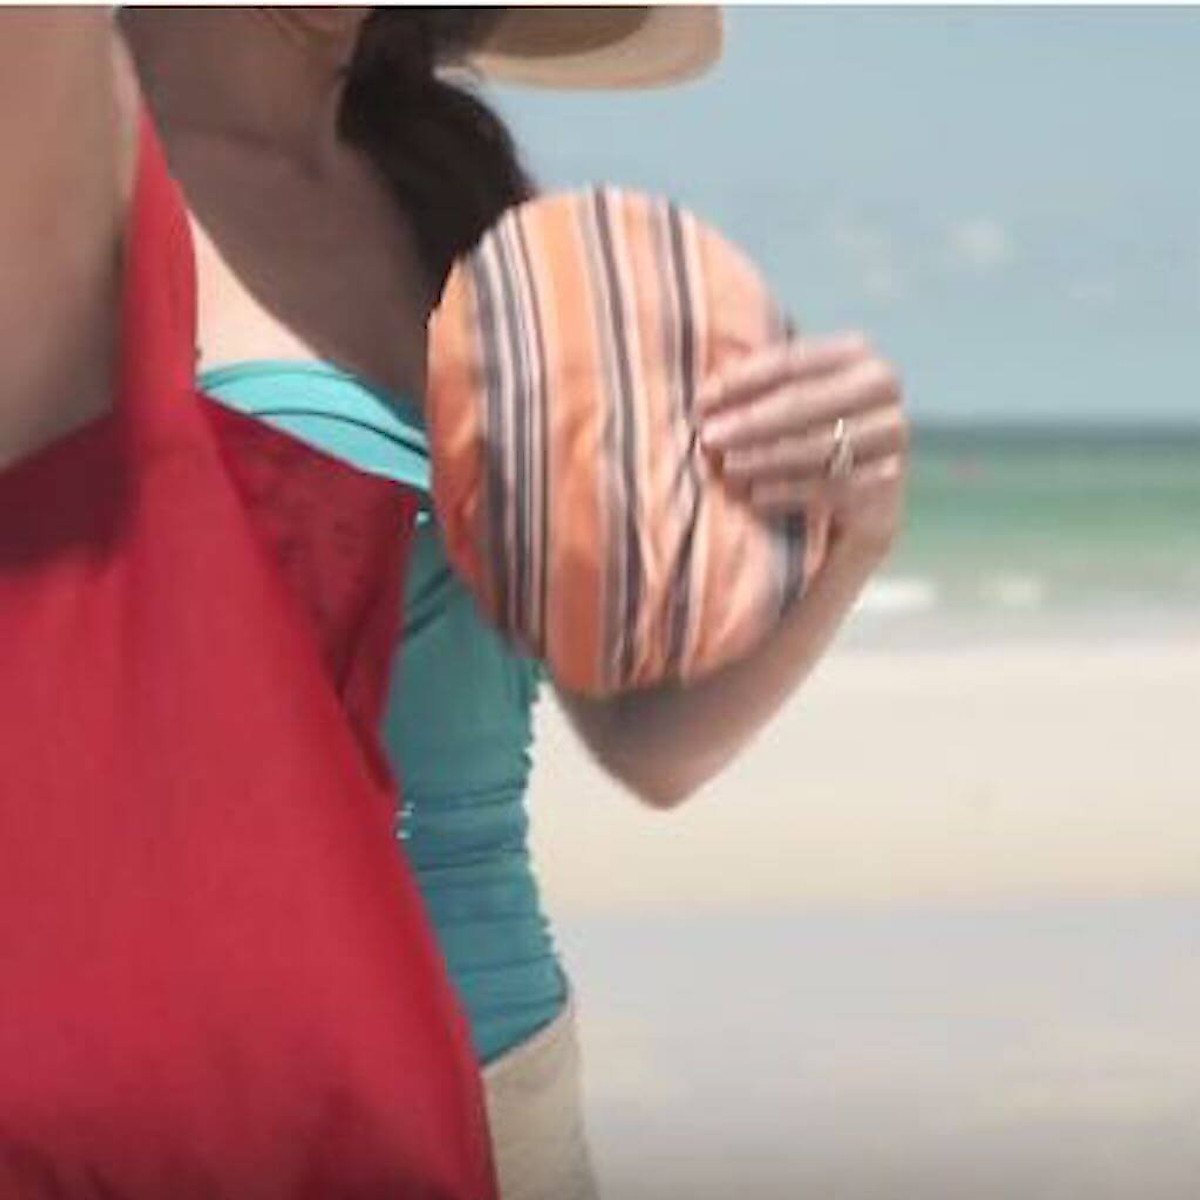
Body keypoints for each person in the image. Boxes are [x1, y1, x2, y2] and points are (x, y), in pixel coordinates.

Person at [5, 9, 909, 1199]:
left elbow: (650, 746)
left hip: (506, 1067)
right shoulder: (65, 171)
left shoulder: (468, 214)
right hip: (218, 1087)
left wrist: (846, 538)